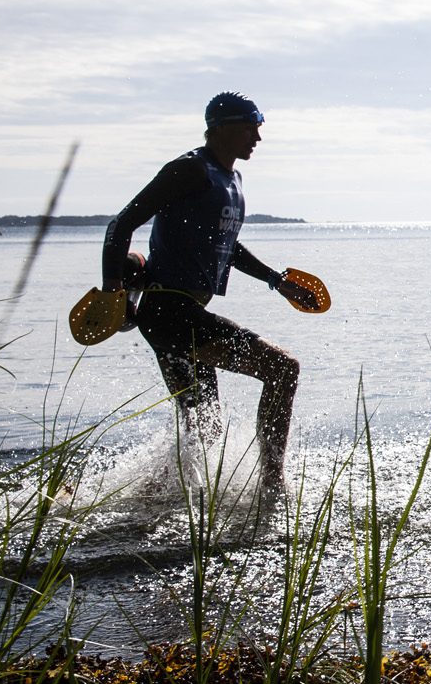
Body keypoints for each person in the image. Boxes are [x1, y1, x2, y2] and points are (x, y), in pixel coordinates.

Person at [102, 92, 317, 484]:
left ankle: (149, 498)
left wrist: (277, 281)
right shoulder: (189, 170)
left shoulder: (232, 179)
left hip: (178, 315)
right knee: (283, 370)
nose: (257, 137)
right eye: (251, 127)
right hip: (170, 311)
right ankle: (272, 485)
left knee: (205, 428)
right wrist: (112, 291)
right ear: (221, 128)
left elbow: (226, 246)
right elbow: (121, 224)